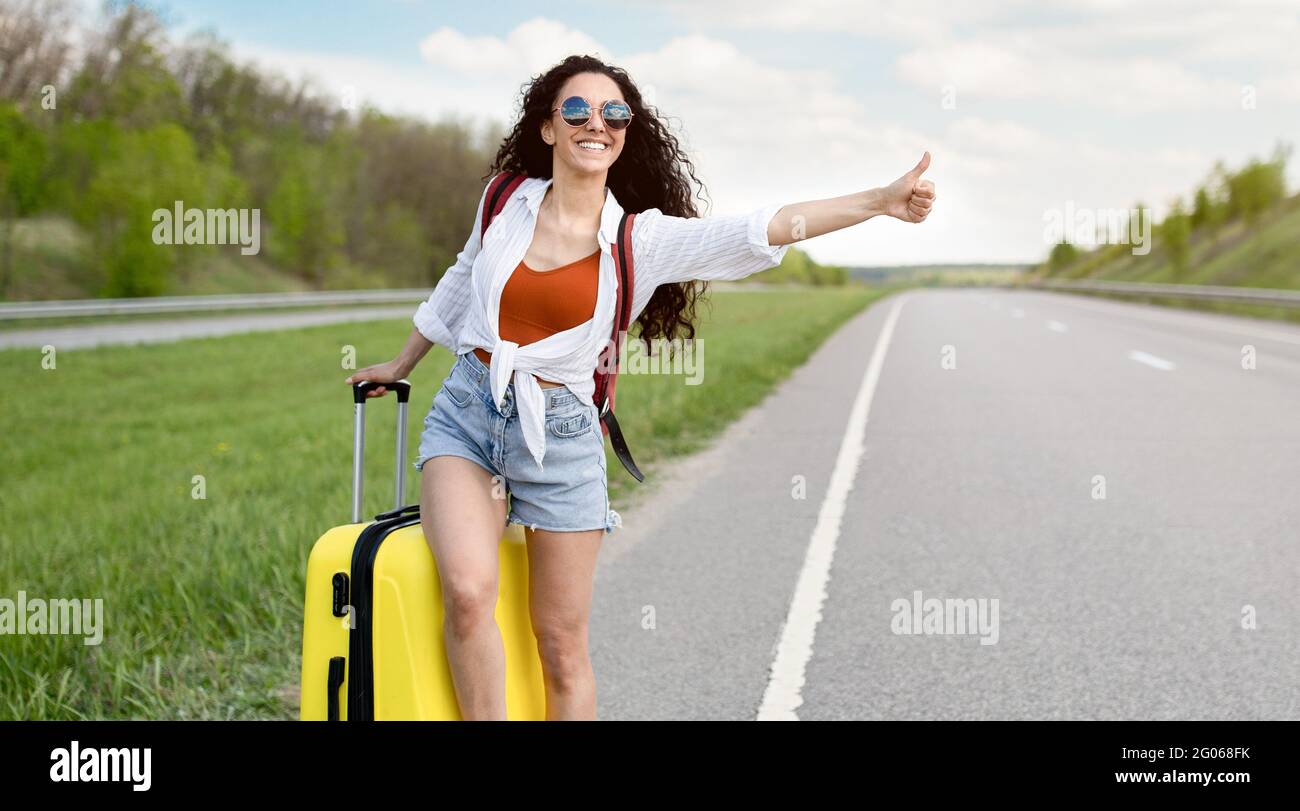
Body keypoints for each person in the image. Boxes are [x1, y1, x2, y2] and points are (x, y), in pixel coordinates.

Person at [345, 54, 936, 720]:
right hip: (467, 414)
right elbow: (462, 275)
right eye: (577, 109)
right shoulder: (504, 198)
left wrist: (880, 202)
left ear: (627, 131)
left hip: (562, 440)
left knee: (561, 646)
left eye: (614, 112)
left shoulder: (639, 240)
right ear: (548, 127)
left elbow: (759, 229)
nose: (596, 123)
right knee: (469, 591)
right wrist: (403, 362)